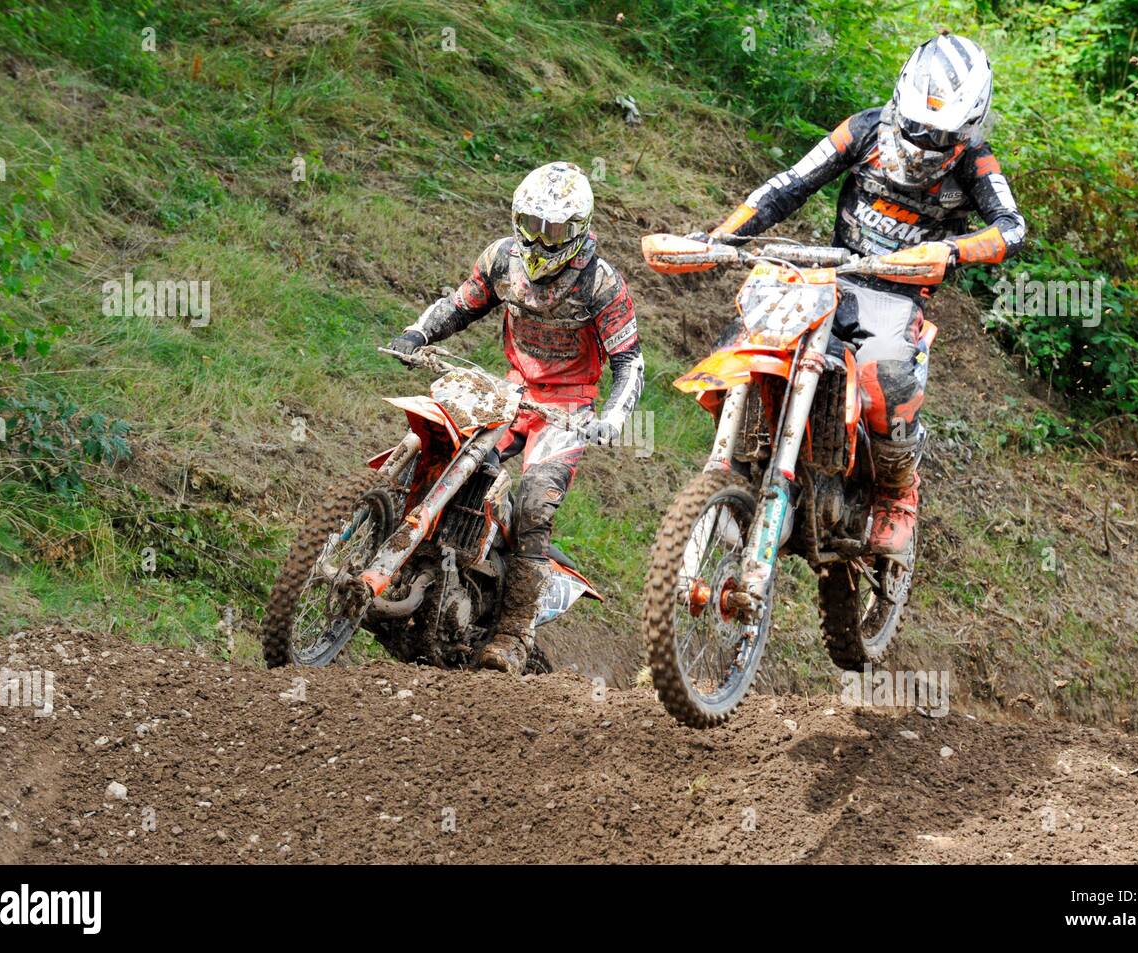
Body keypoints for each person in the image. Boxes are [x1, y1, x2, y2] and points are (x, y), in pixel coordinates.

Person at [703, 32, 1025, 557]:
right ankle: (738, 464)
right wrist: (722, 236)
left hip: (900, 296)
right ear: (900, 100)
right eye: (916, 125)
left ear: (969, 128)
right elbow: (792, 183)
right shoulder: (865, 129)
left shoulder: (975, 164)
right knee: (741, 339)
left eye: (939, 134)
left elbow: (1011, 228)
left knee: (886, 384)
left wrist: (951, 253)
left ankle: (900, 494)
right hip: (835, 274)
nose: (923, 140)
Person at [388, 161, 643, 673]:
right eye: (532, 224)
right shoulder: (504, 259)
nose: (540, 241)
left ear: (577, 229)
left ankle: (512, 635)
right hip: (511, 392)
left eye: (553, 231)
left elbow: (629, 361)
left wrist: (613, 418)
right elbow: (460, 304)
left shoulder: (601, 284)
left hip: (568, 408)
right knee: (435, 450)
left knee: (532, 506)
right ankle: (399, 553)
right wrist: (418, 334)